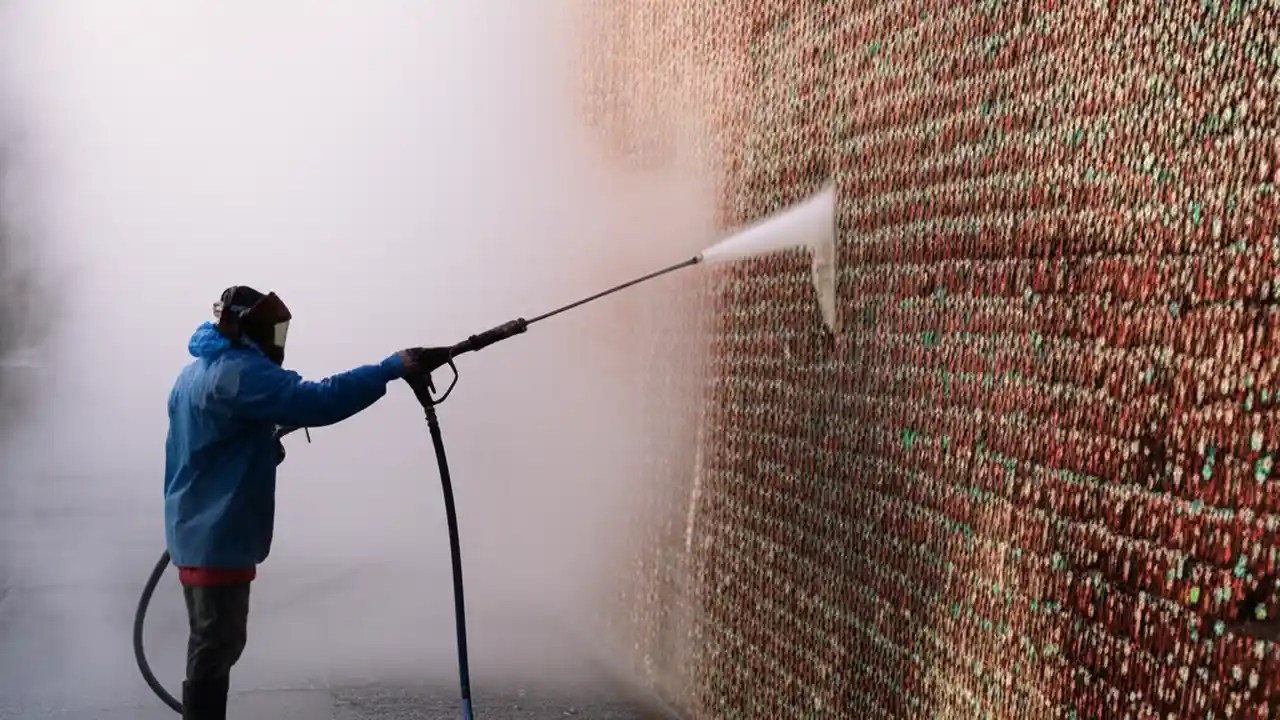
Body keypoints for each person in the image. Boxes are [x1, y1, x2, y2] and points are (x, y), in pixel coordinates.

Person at [163, 285, 431, 719]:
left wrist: (258, 446)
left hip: (194, 527)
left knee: (212, 643)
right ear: (248, 326)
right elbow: (319, 400)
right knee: (217, 646)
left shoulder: (196, 372)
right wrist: (388, 368)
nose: (276, 339)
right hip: (217, 533)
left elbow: (207, 442)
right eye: (270, 329)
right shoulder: (239, 373)